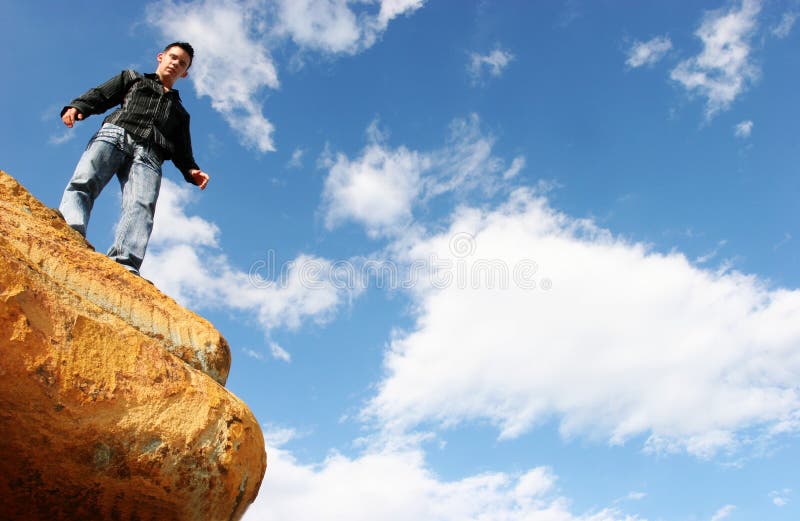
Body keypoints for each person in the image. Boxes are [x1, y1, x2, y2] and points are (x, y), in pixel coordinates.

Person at [58, 42, 209, 276]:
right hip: (116, 134)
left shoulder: (181, 112)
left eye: (182, 63)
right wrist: (78, 107)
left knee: (141, 206)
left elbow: (183, 150)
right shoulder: (133, 78)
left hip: (150, 155)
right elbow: (101, 95)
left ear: (185, 73)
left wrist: (191, 170)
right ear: (161, 57)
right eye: (173, 57)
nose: (175, 64)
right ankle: (69, 229)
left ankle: (124, 263)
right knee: (85, 181)